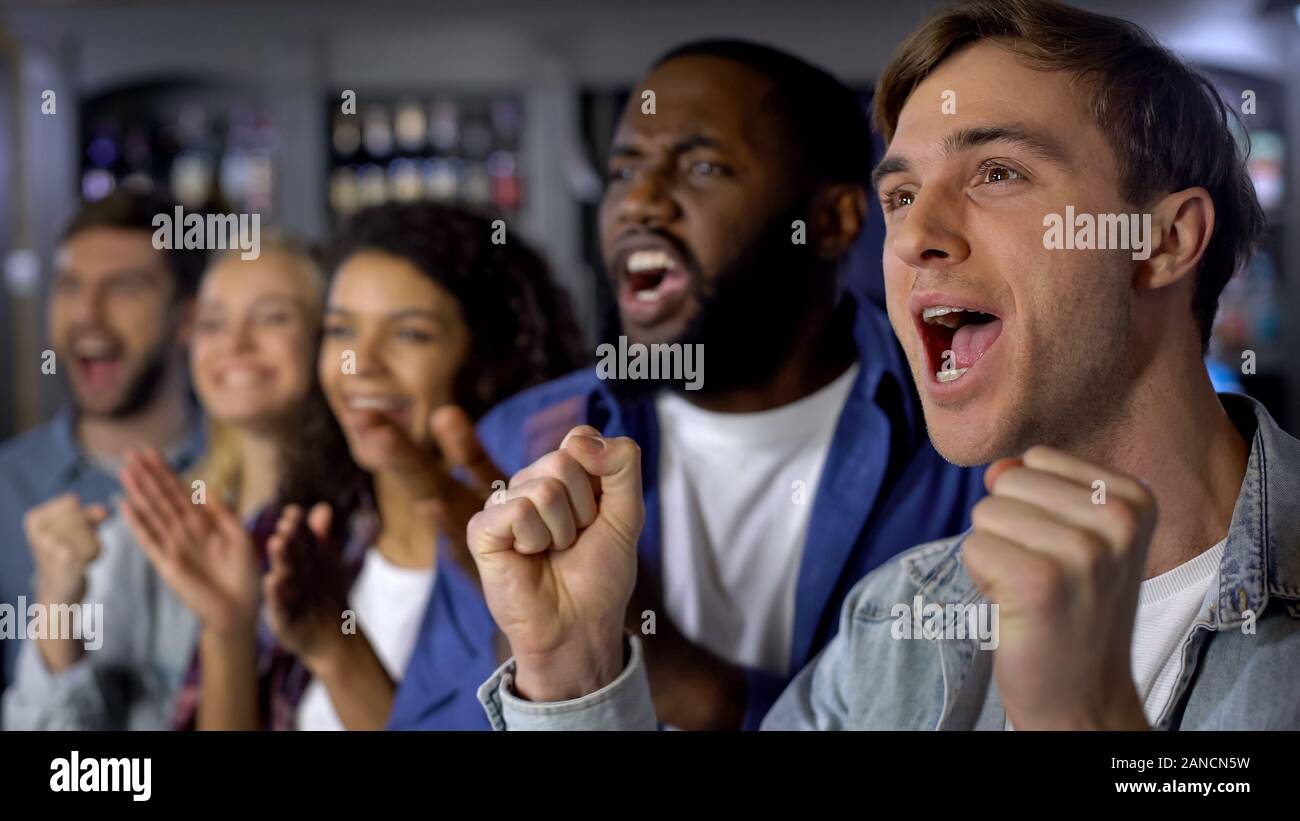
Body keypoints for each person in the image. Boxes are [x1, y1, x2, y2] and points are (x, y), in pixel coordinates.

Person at [469, 0, 1299, 731]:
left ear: (1162, 240)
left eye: (997, 173)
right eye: (901, 195)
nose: (908, 238)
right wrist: (575, 676)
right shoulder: (903, 616)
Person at [391, 40, 985, 731]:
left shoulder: (965, 440)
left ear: (830, 222)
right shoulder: (526, 440)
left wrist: (685, 681)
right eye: (623, 170)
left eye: (703, 166)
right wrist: (548, 679)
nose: (640, 201)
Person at [127, 202, 585, 730]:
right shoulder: (302, 537)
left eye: (410, 334)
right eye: (342, 331)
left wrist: (337, 651)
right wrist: (227, 628)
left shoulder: (544, 557)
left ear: (486, 358)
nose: (361, 364)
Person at [2, 234, 327, 730]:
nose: (236, 343)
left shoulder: (362, 531)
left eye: (273, 317)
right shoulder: (153, 529)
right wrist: (56, 606)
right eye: (214, 323)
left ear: (329, 337)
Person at [0, 188, 205, 704]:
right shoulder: (8, 488)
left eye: (124, 288)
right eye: (70, 286)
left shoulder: (249, 478)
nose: (88, 315)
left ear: (188, 316)